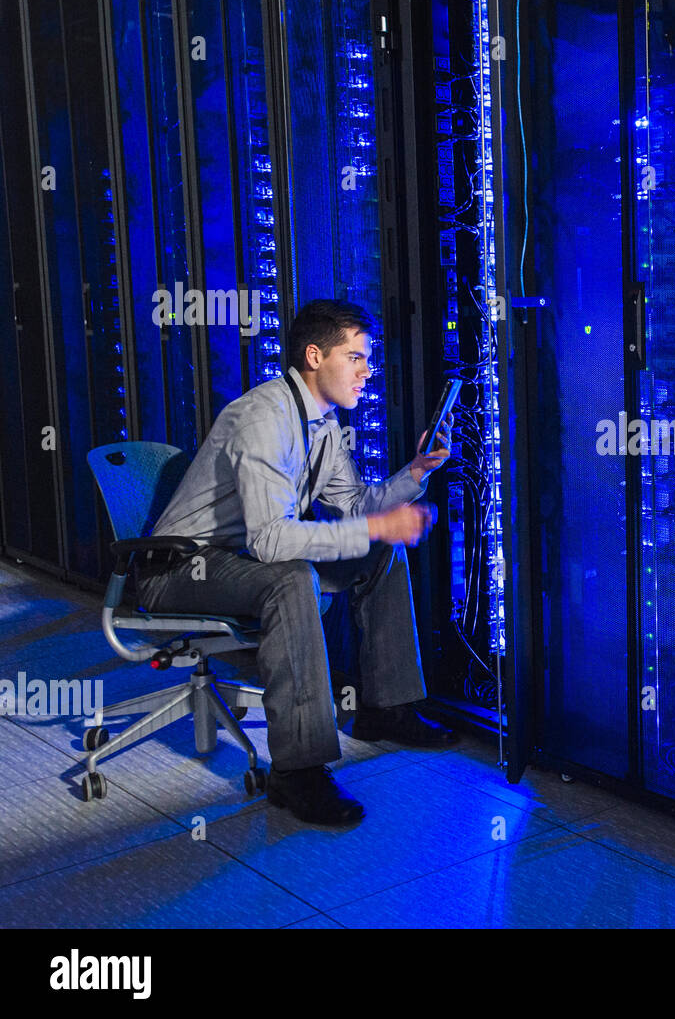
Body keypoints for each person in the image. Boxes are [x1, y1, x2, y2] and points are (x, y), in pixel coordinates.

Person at [137, 299, 455, 826]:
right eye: (355, 357)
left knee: (377, 550)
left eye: (367, 358)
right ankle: (298, 771)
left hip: (236, 560)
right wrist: (375, 525)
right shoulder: (261, 418)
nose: (367, 370)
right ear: (314, 356)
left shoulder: (323, 425)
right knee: (290, 578)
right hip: (177, 568)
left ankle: (385, 707)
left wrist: (415, 473)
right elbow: (270, 541)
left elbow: (353, 507)